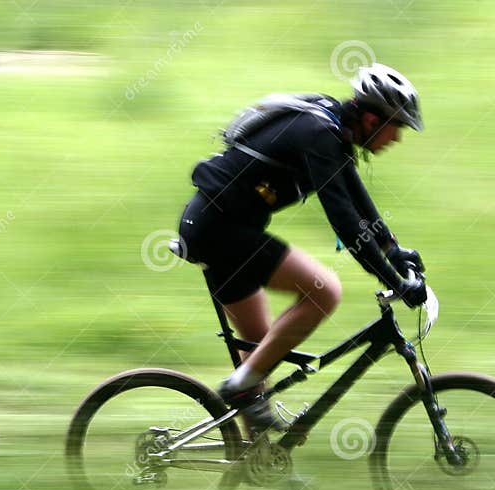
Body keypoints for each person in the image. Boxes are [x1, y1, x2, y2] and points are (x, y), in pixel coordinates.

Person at [177, 62, 427, 432]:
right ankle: (241, 390)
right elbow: (344, 219)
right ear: (373, 120)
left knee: (260, 355)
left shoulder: (330, 128)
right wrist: (393, 280)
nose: (397, 139)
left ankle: (256, 463)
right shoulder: (319, 134)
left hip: (215, 229)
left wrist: (393, 250)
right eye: (397, 128)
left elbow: (358, 200)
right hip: (221, 232)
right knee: (323, 291)